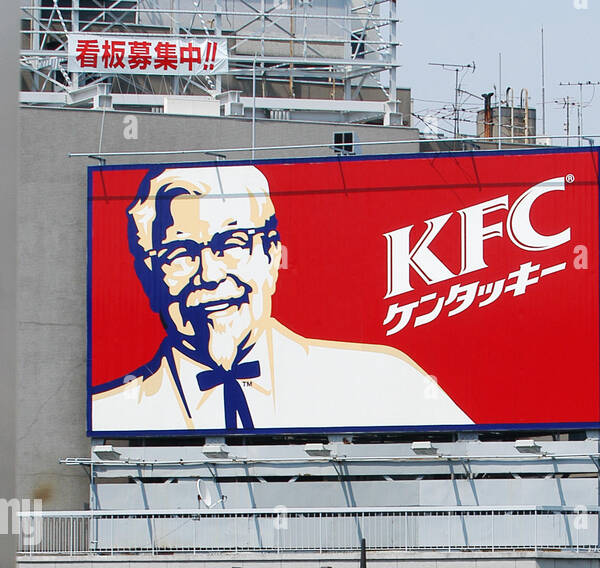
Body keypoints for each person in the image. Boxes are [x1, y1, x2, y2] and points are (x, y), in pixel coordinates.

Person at [91, 163, 471, 433]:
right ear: (147, 276)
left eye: (231, 244)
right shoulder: (111, 414)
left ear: (272, 257)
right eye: (179, 254)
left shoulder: (385, 381)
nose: (209, 274)